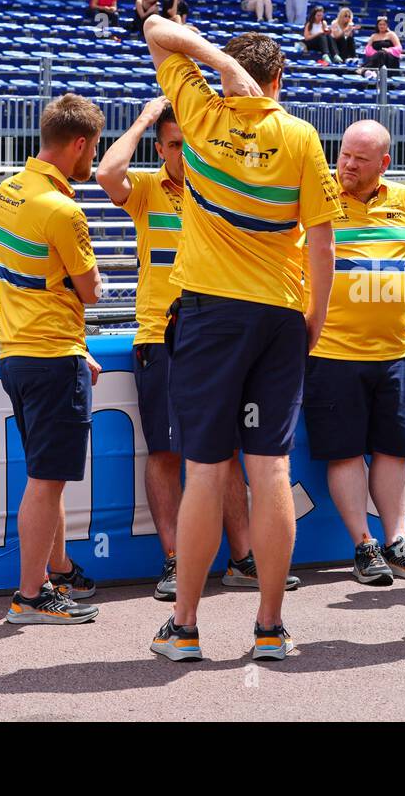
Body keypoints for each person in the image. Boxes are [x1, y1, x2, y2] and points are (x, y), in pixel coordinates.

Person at [142, 14, 341, 662]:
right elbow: (321, 239)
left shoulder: (199, 112)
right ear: (279, 79)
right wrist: (312, 318)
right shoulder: (304, 137)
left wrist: (211, 60)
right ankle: (270, 628)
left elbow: (152, 26)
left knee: (205, 469)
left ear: (230, 77)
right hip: (281, 317)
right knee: (270, 468)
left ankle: (188, 627)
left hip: (210, 316)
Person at [95, 97, 296, 602]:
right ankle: (174, 559)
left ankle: (243, 558)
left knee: (224, 452)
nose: (185, 153)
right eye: (175, 145)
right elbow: (106, 173)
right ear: (161, 148)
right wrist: (143, 119)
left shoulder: (225, 187)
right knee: (166, 451)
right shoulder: (145, 188)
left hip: (219, 336)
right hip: (162, 336)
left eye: (191, 142)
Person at [304, 119, 405, 585]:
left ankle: (397, 541)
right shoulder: (317, 197)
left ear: (383, 163)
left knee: (393, 450)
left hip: (395, 351)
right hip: (332, 351)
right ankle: (364, 546)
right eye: (343, 154)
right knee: (343, 453)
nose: (348, 165)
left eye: (360, 159)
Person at [0, 93, 106, 625]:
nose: (94, 162)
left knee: (47, 475)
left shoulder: (9, 188)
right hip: (50, 355)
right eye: (93, 150)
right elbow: (92, 291)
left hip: (18, 350)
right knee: (46, 481)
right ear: (79, 144)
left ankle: (57, 571)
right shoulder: (64, 208)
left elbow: (33, 280)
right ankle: (30, 596)